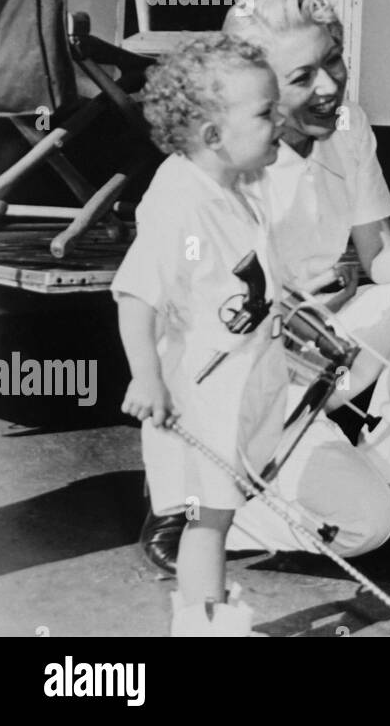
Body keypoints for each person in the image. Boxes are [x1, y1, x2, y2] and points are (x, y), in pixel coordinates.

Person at [139, 0, 390, 576]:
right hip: (231, 387)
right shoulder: (214, 163)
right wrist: (285, 304)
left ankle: (378, 482)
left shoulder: (348, 128)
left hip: (310, 361)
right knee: (358, 526)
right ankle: (188, 512)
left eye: (333, 60)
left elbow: (380, 254)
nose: (329, 87)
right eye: (302, 78)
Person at [116, 35, 289, 635]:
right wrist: (146, 379)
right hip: (197, 399)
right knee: (206, 519)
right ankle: (200, 623)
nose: (280, 121)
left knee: (216, 515)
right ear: (213, 137)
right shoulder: (179, 204)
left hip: (235, 388)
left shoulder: (235, 191)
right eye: (266, 113)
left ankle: (206, 617)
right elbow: (136, 294)